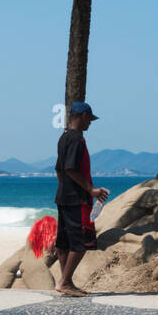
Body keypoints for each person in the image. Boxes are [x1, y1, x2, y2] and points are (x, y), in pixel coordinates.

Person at [53, 101, 110, 297]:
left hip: (63, 197)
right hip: (77, 199)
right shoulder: (77, 139)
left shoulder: (64, 138)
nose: (90, 124)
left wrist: (64, 188)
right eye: (89, 120)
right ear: (83, 116)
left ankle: (65, 281)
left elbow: (59, 170)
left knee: (64, 242)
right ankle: (64, 282)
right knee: (82, 242)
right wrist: (91, 189)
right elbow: (70, 168)